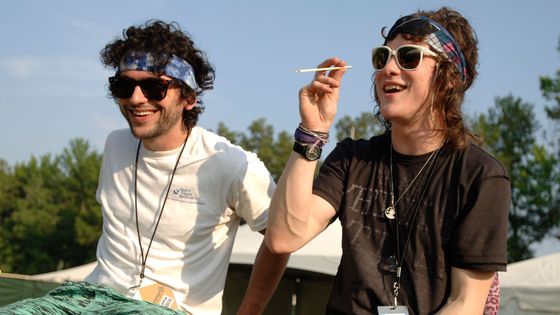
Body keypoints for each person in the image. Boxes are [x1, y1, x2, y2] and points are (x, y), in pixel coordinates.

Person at [0, 20, 288, 315]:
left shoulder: (231, 163)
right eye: (124, 86)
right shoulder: (116, 145)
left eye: (154, 87)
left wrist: (249, 311)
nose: (136, 98)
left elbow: (281, 240)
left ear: (189, 97)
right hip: (90, 297)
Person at [265, 7, 510, 315]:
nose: (388, 69)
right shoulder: (353, 159)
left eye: (408, 57)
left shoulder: (479, 175)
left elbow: (465, 304)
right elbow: (283, 237)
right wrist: (311, 134)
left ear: (448, 78)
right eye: (382, 58)